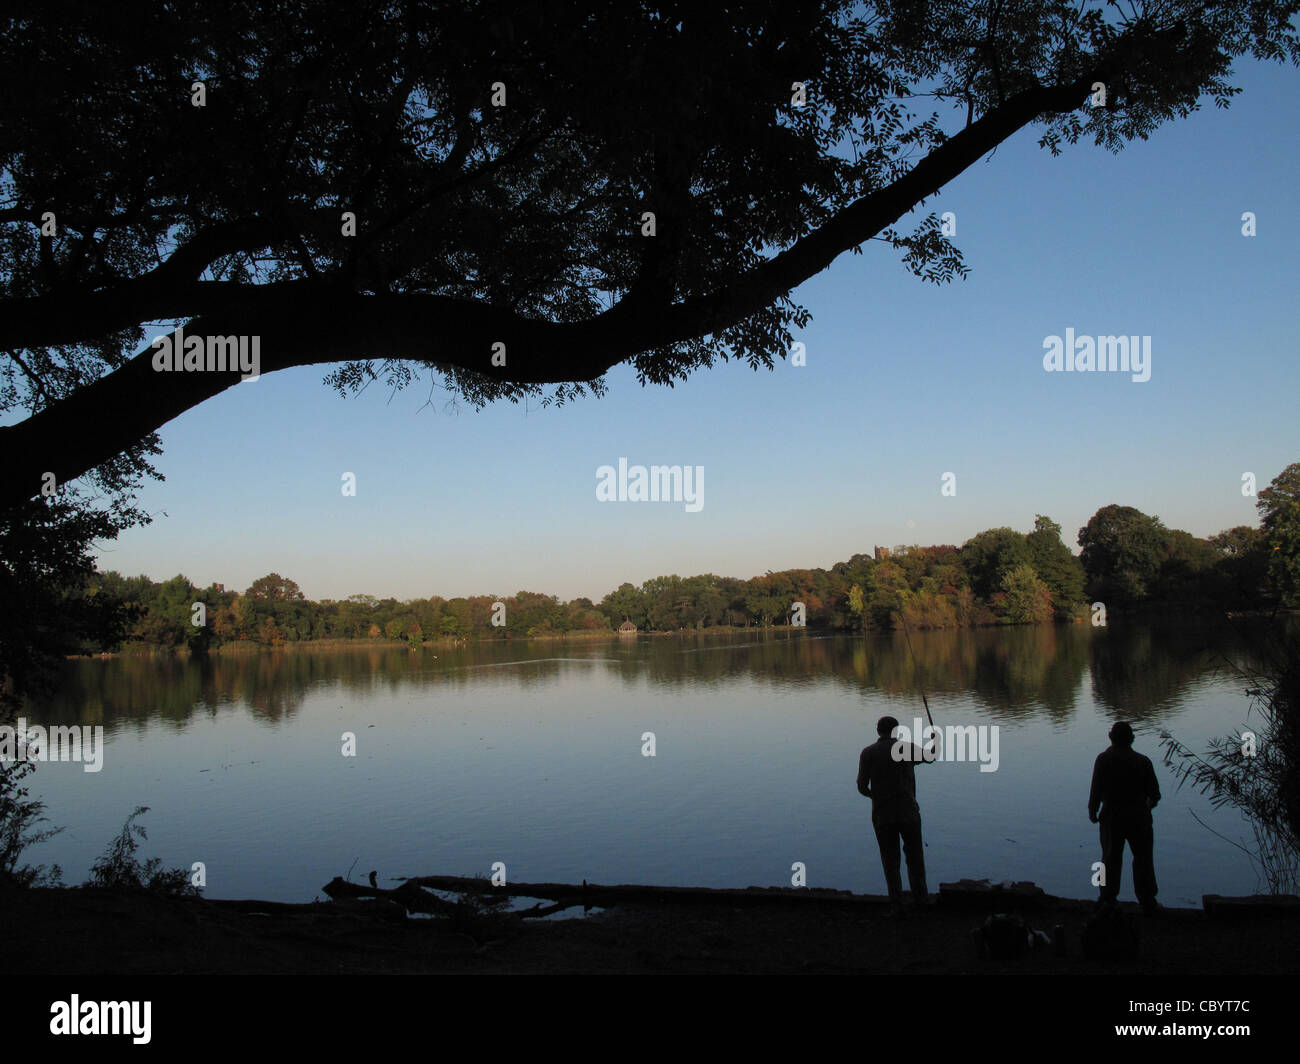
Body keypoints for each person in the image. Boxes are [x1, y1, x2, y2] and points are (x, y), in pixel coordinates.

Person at [858, 714, 935, 913]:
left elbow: (861, 787)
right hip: (908, 811)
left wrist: (876, 797)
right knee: (915, 857)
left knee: (890, 860)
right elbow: (931, 756)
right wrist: (934, 739)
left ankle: (897, 904)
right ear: (896, 731)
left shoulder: (868, 753)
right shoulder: (906, 748)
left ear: (878, 730)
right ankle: (921, 899)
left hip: (883, 814)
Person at [1088, 721, 1161, 915]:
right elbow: (1155, 794)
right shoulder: (1143, 761)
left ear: (1111, 738)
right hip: (1139, 816)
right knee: (1143, 858)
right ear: (1132, 739)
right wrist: (1147, 806)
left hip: (1111, 816)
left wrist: (1092, 810)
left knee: (1109, 858)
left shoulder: (1103, 759)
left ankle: (1107, 898)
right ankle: (1147, 900)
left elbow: (1095, 789)